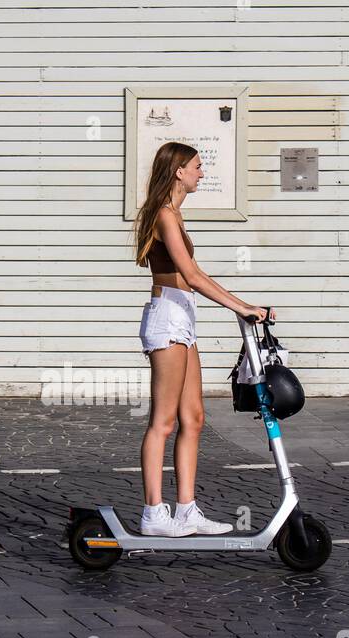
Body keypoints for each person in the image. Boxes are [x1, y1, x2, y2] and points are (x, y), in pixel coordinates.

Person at [131, 141, 273, 536]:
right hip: (168, 317)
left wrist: (243, 305)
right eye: (196, 166)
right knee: (163, 421)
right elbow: (192, 276)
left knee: (193, 418)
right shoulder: (162, 215)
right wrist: (241, 306)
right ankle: (153, 514)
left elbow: (194, 278)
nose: (201, 173)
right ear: (178, 171)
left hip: (183, 316)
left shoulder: (175, 214)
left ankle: (187, 510)